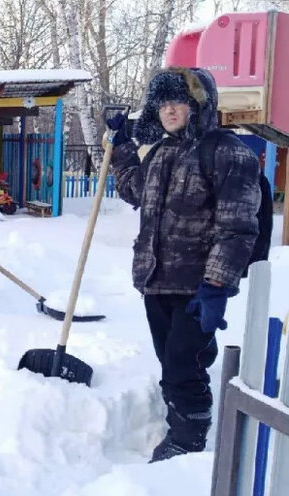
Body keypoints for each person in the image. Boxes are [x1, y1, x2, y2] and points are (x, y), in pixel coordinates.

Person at [106, 67, 261, 462]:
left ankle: (189, 439)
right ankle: (179, 418)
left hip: (197, 286)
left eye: (179, 101)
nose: (169, 110)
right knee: (170, 359)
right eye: (163, 102)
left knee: (183, 363)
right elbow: (132, 189)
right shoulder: (159, 152)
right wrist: (121, 144)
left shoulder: (227, 152)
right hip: (156, 280)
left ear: (198, 105)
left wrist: (216, 285)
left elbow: (237, 227)